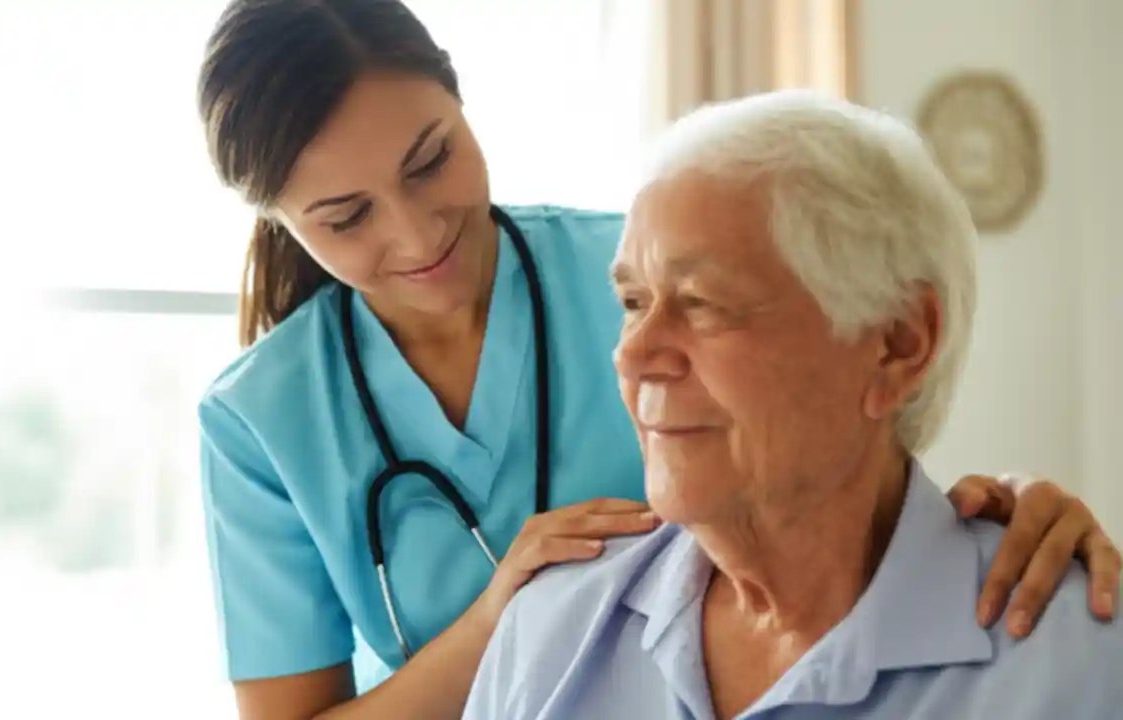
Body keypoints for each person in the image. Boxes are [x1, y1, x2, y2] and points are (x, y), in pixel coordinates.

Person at [194, 2, 1120, 718]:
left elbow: (846, 434)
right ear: (284, 225)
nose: (414, 230)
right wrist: (498, 623)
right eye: (345, 217)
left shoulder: (641, 252)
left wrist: (992, 516)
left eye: (431, 160)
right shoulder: (261, 419)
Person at [463, 90, 1123, 720]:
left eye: (701, 303)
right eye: (633, 303)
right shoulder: (548, 630)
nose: (633, 355)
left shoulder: (1080, 666)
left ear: (897, 344)